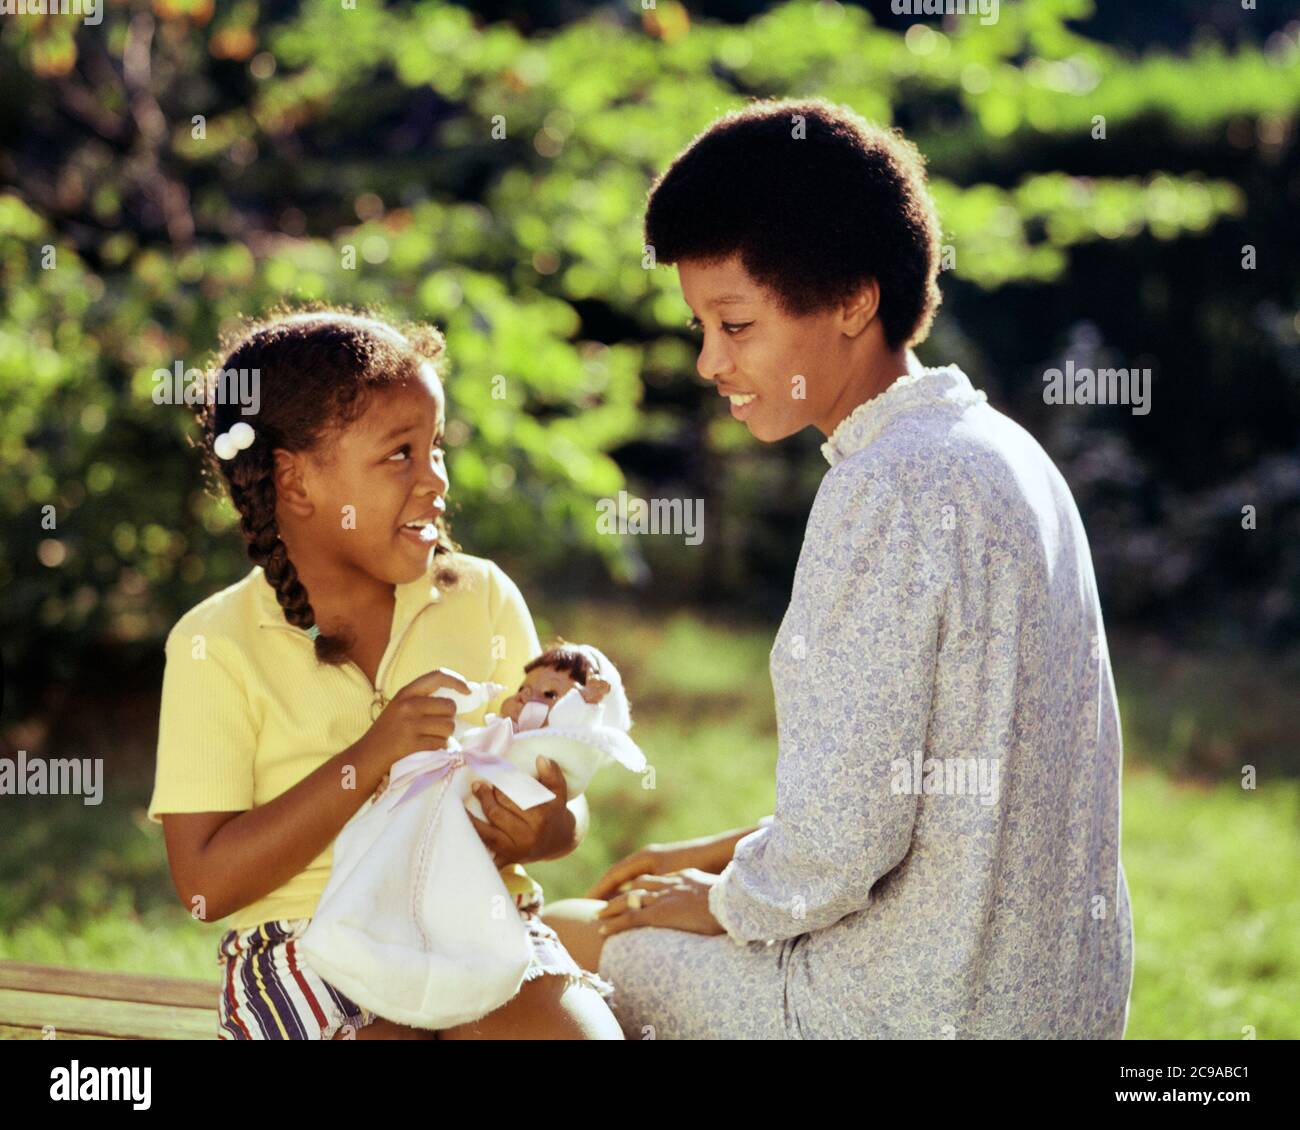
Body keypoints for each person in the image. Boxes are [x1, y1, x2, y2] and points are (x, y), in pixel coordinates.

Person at [541, 98, 1135, 1039]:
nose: (708, 362)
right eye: (701, 325)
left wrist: (723, 901)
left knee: (563, 945)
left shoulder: (887, 487)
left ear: (856, 300)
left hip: (905, 1009)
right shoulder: (1003, 451)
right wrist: (723, 855)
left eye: (735, 326)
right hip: (1058, 1006)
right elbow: (925, 792)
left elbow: (846, 844)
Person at [148, 308, 621, 1039]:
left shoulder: (481, 596)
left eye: (437, 448)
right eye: (400, 454)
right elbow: (206, 885)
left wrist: (541, 828)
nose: (436, 481)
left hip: (480, 918)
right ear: (295, 481)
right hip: (305, 945)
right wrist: (370, 759)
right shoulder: (216, 644)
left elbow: (560, 798)